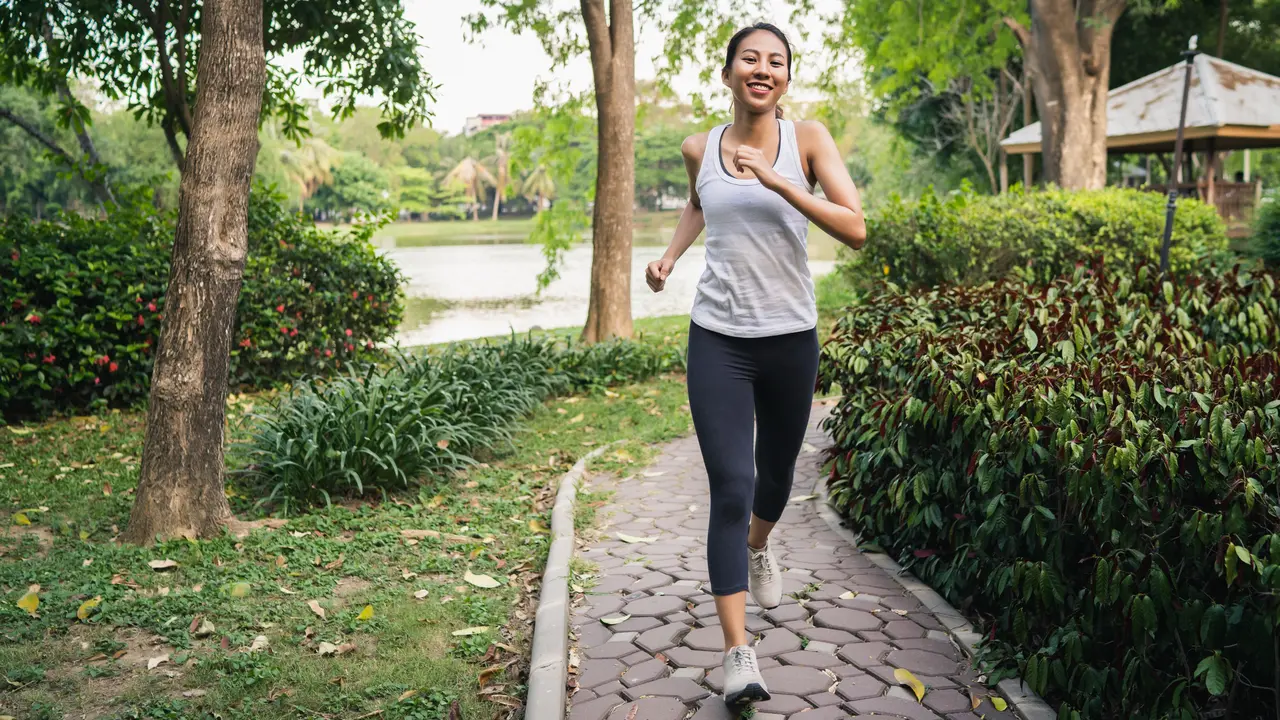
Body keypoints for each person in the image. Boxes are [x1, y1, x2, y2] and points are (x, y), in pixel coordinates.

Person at [644, 21, 867, 708]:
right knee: (732, 486)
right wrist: (670, 255)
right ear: (729, 73)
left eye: (775, 61)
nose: (762, 69)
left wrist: (778, 182)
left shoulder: (809, 140)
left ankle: (761, 546)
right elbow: (697, 202)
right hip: (718, 337)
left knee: (775, 478)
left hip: (791, 337)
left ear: (786, 79)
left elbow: (855, 228)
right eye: (750, 58)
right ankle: (738, 653)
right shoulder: (699, 146)